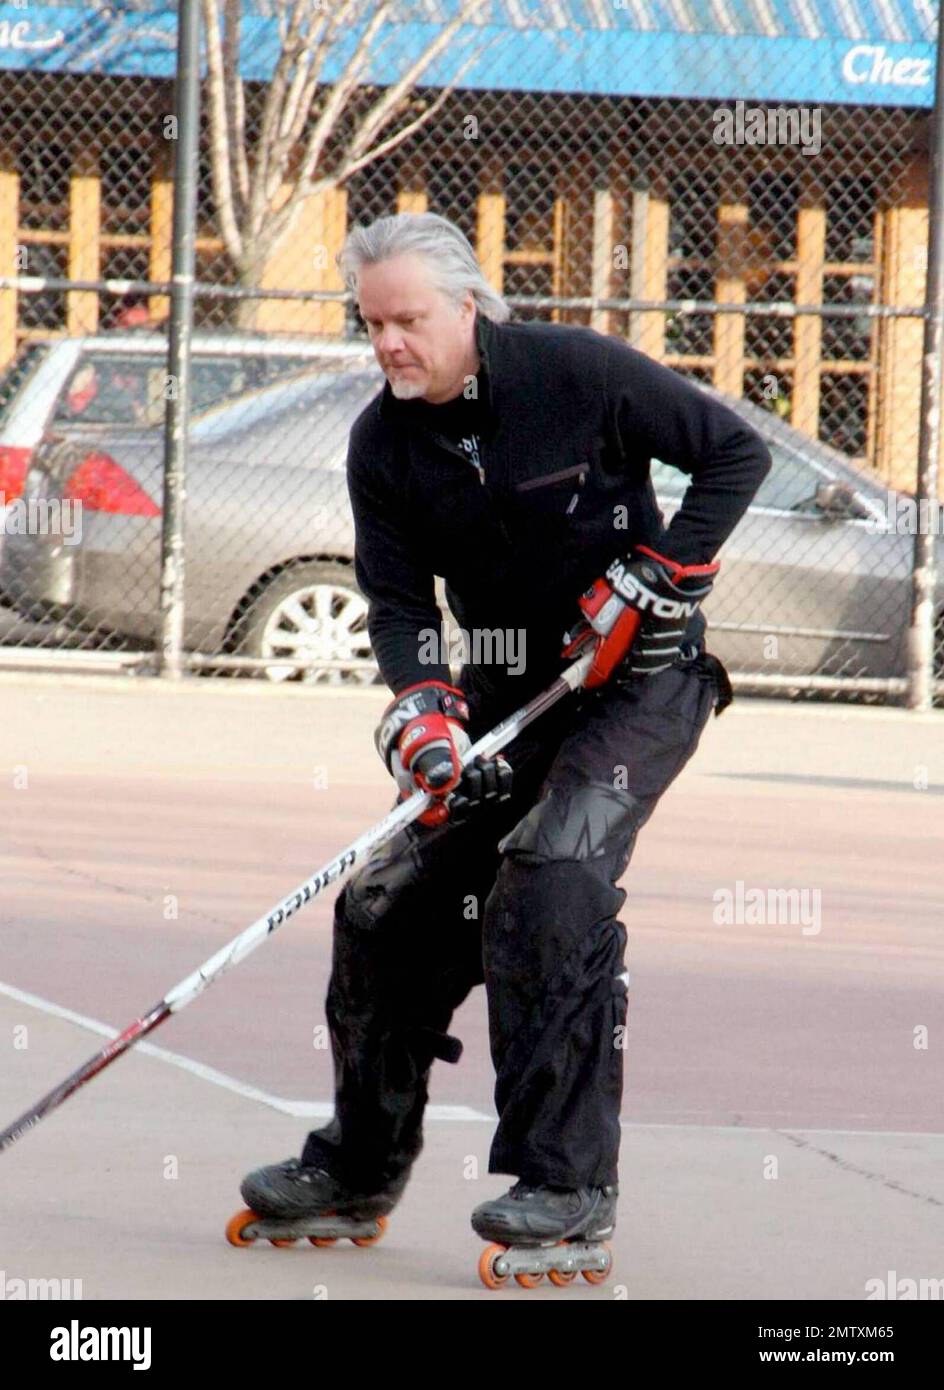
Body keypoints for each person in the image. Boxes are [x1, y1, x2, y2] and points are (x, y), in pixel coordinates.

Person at [239, 212, 771, 1250]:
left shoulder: (578, 373)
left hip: (635, 686)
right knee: (385, 904)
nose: (389, 342)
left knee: (551, 873)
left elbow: (733, 455)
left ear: (467, 306)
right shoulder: (381, 444)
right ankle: (358, 1163)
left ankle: (565, 1185)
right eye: (372, 324)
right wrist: (422, 711)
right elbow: (396, 607)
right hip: (500, 700)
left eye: (408, 320)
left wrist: (662, 572)